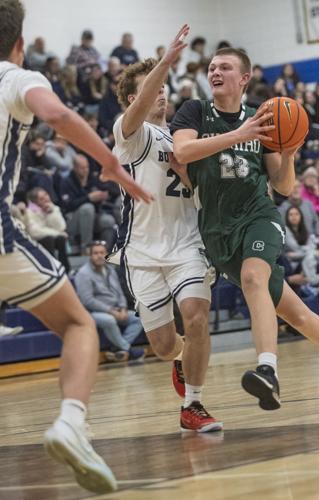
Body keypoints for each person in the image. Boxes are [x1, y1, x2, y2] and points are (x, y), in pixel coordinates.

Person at [170, 47, 319, 413]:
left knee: (253, 279)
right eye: (212, 67)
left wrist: (289, 152)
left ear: (243, 78)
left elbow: (284, 186)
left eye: (225, 67)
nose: (215, 71)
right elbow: (182, 153)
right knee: (298, 315)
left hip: (259, 216)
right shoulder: (194, 111)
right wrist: (239, 134)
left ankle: (267, 371)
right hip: (216, 230)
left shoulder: (265, 116)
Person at [0, 0, 152, 493]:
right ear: (20, 45)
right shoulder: (18, 78)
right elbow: (59, 113)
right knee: (78, 323)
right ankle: (71, 422)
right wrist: (109, 162)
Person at [107, 25, 222, 432]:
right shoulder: (130, 135)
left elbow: (199, 194)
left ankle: (193, 405)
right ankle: (179, 357)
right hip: (141, 252)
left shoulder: (185, 135)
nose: (161, 92)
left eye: (163, 85)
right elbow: (137, 110)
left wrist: (190, 174)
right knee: (162, 345)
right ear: (131, 99)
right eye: (150, 87)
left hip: (187, 243)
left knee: (196, 317)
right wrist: (166, 60)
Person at [75, 242, 144, 361]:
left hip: (116, 310)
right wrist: (111, 311)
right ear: (90, 255)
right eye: (96, 253)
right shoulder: (83, 273)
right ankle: (128, 349)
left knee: (138, 318)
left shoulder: (110, 270)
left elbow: (119, 292)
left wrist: (123, 308)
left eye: (102, 252)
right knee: (109, 320)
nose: (99, 256)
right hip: (92, 312)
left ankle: (118, 348)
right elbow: (87, 300)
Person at [25, 187, 70, 272]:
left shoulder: (54, 208)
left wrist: (51, 213)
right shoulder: (29, 212)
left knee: (61, 239)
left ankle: (66, 268)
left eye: (46, 195)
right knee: (49, 239)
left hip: (53, 237)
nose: (46, 199)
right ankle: (52, 268)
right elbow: (34, 232)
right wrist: (57, 233)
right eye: (42, 198)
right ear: (35, 202)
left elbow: (62, 227)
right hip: (37, 240)